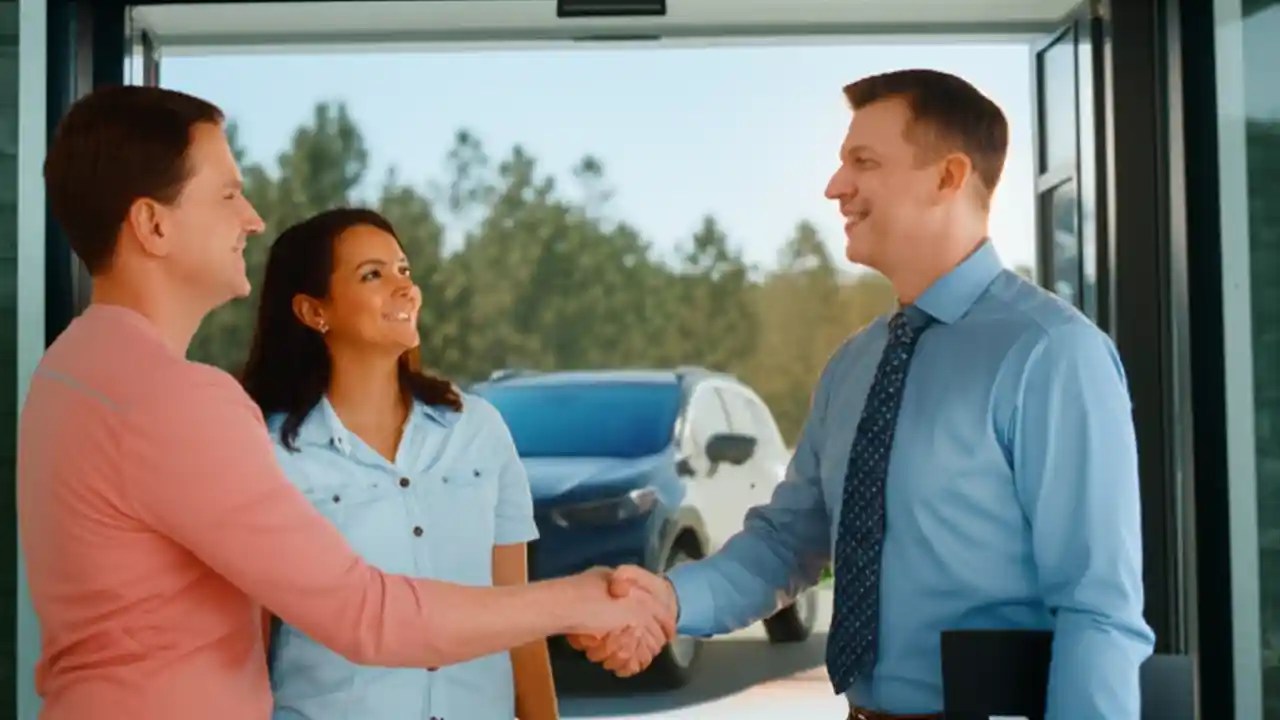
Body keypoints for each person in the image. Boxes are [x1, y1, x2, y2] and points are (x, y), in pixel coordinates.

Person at [16, 85, 667, 720]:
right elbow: (365, 615)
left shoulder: (68, 374)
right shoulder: (175, 401)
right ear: (153, 225)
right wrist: (581, 599)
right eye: (227, 195)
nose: (252, 218)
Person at [572, 69, 1156, 719]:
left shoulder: (1051, 353)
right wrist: (666, 601)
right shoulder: (854, 365)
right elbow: (786, 544)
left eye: (864, 162)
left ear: (948, 176)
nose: (835, 186)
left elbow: (1096, 608)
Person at [239, 207, 558, 720]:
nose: (405, 288)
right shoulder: (267, 453)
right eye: (373, 274)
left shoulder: (478, 430)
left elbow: (517, 617)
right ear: (312, 311)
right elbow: (247, 646)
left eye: (404, 271)